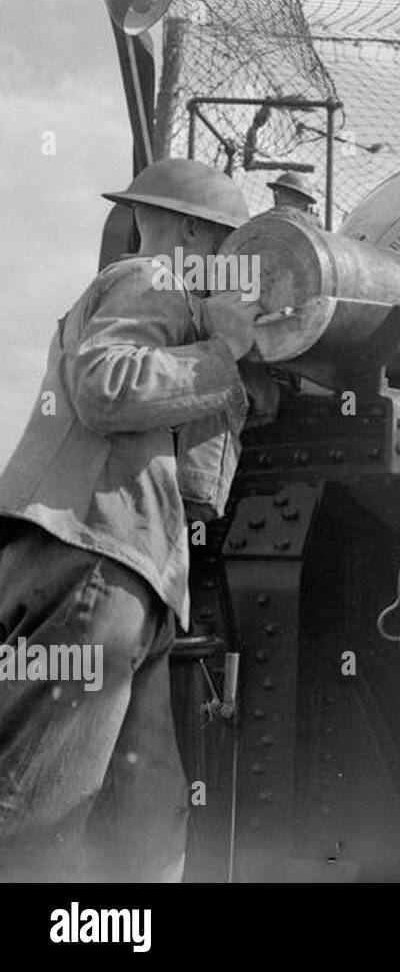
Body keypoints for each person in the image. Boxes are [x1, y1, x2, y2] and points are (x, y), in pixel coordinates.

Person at [0, 158, 259, 882]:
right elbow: (106, 385)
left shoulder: (172, 301)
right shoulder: (152, 278)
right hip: (92, 553)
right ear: (191, 231)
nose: (232, 272)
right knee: (33, 810)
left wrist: (231, 366)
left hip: (122, 568)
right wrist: (223, 352)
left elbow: (196, 485)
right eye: (228, 250)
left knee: (132, 827)